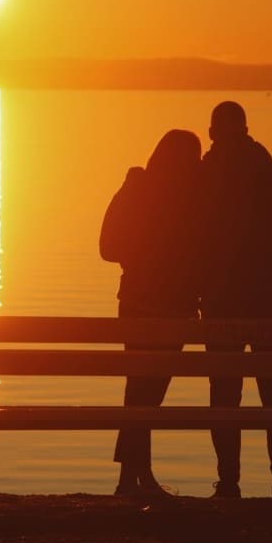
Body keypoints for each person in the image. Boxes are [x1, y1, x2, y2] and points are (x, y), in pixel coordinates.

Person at [199, 100, 272, 499]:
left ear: (212, 132)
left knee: (226, 393)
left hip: (227, 303)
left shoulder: (206, 178)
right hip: (266, 303)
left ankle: (229, 482)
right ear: (245, 129)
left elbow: (193, 242)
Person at [100, 129, 203, 498]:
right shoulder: (173, 196)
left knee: (141, 395)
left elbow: (108, 247)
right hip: (162, 310)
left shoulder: (146, 191)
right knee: (145, 396)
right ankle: (134, 477)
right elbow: (108, 247)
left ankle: (134, 476)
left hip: (145, 308)